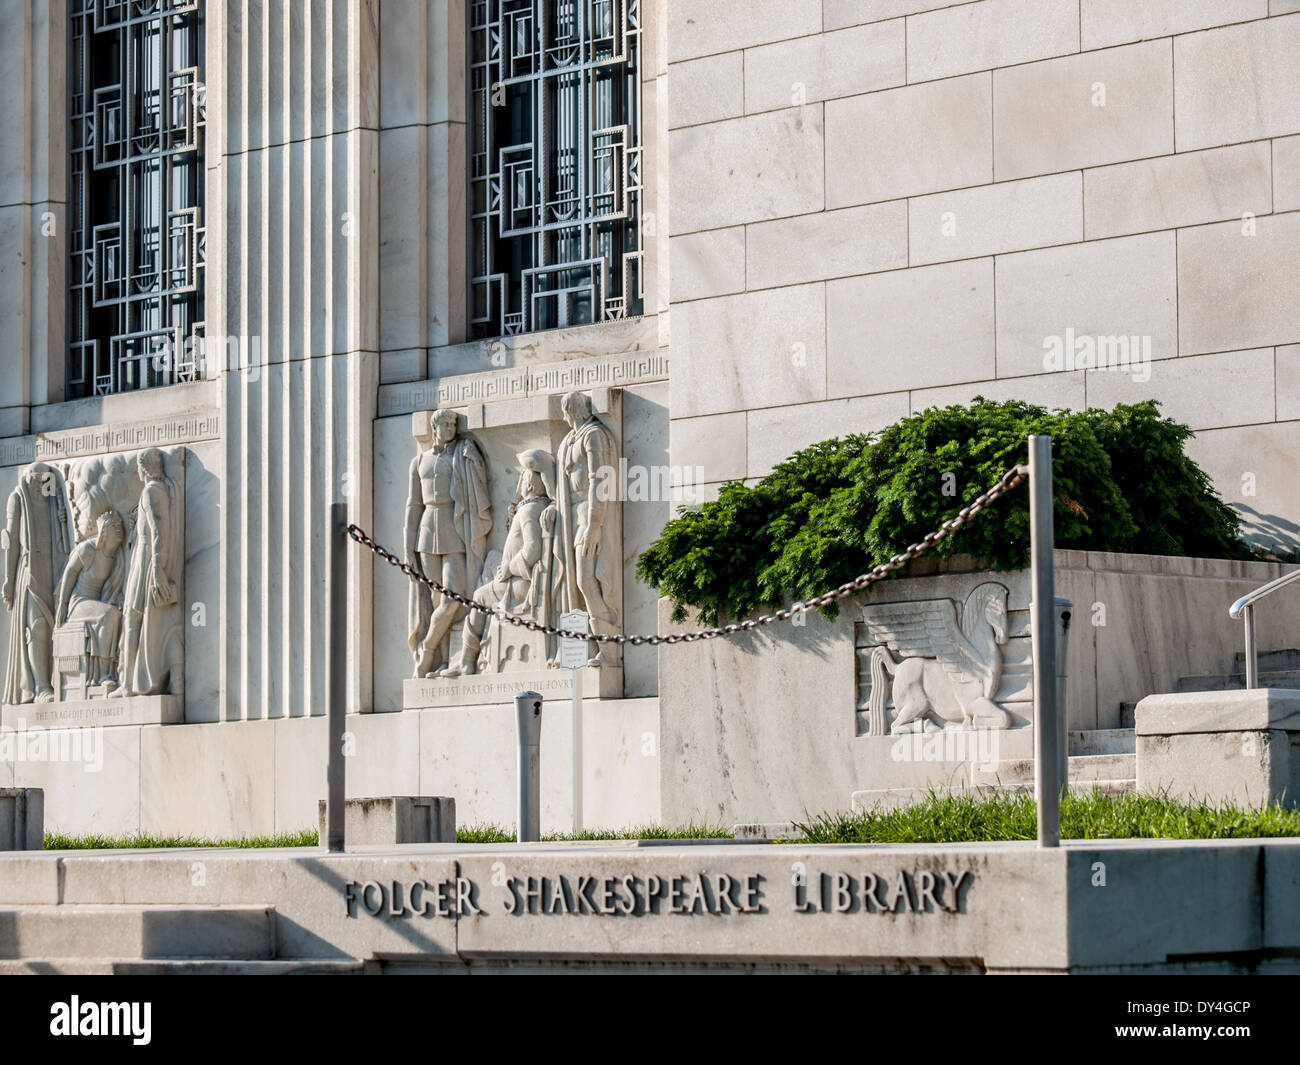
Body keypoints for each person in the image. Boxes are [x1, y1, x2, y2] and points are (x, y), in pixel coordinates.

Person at [405, 410, 492, 678]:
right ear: (435, 426)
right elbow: (414, 505)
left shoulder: (461, 453)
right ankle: (443, 661)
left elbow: (477, 473)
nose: (450, 428)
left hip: (453, 527)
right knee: (435, 600)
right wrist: (408, 547)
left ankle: (427, 650)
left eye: (453, 424)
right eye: (445, 423)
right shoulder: (419, 460)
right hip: (427, 529)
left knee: (453, 596)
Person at [2, 463, 71, 705]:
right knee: (37, 627)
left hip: (54, 568)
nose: (40, 485)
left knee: (55, 624)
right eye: (37, 479)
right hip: (30, 571)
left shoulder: (52, 498)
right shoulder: (18, 498)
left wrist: (63, 518)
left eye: (45, 481)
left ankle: (55, 679)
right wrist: (9, 580)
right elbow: (11, 542)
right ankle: (40, 686)